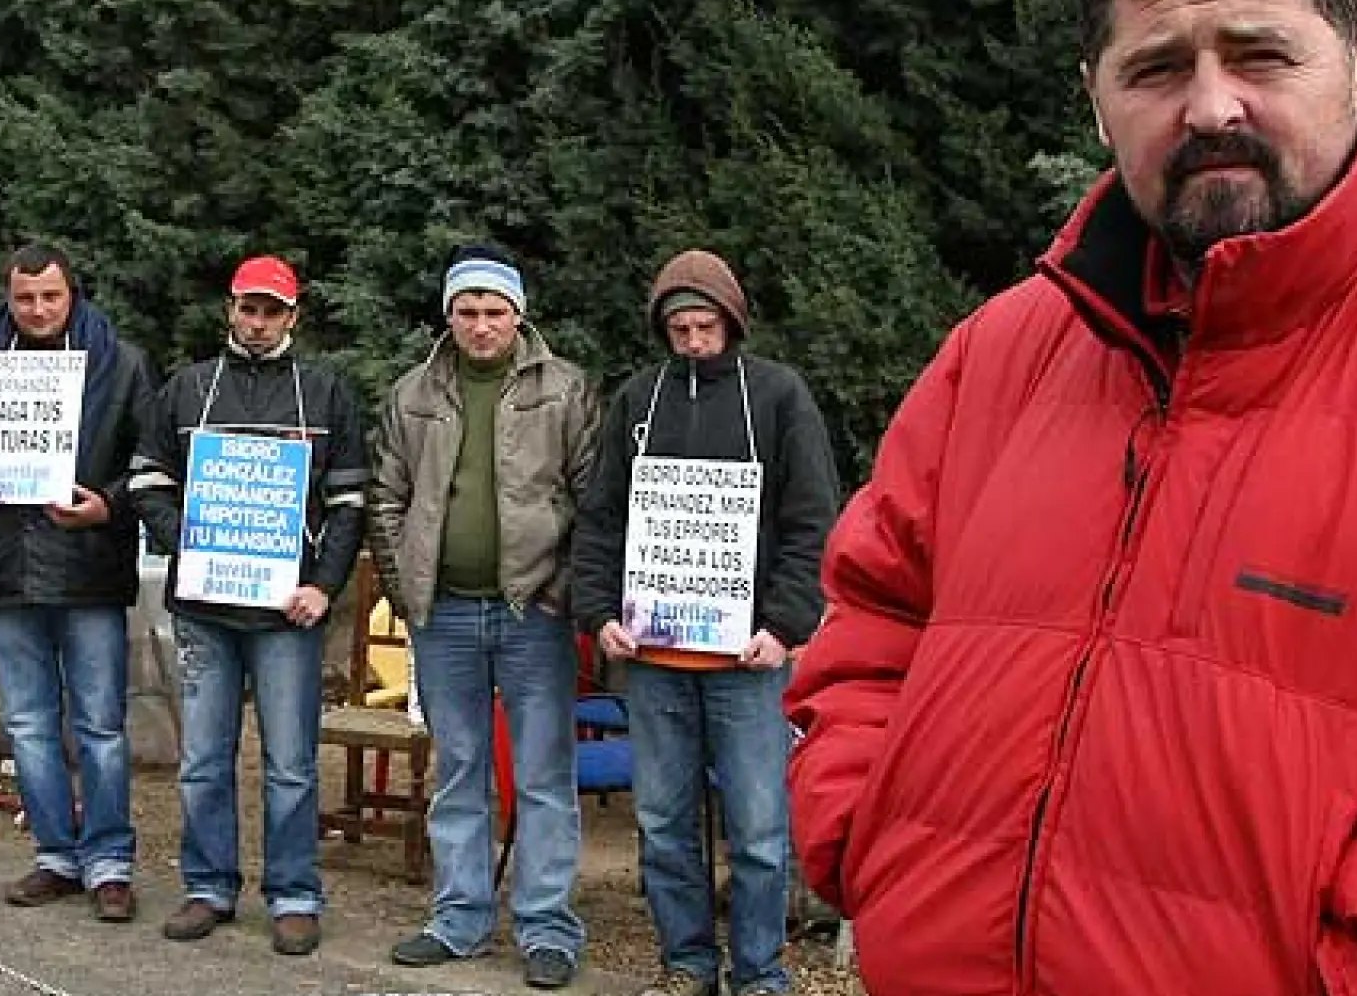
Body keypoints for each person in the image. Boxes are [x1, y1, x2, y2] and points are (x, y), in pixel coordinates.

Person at [784, 0, 1357, 993]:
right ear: (1098, 100)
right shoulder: (1002, 352)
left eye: (1261, 54)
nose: (1210, 107)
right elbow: (874, 614)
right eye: (1156, 68)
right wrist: (865, 829)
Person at [572, 250, 839, 996]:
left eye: (705, 325)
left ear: (732, 320)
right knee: (662, 826)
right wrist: (598, 614)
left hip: (749, 663)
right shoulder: (637, 400)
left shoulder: (780, 397)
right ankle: (687, 963)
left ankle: (760, 971)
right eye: (680, 327)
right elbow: (601, 520)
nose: (693, 340)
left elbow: (812, 521)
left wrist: (784, 625)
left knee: (758, 830)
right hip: (653, 661)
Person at [369, 245, 602, 990]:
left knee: (542, 775)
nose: (480, 325)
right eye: (466, 312)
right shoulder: (411, 394)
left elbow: (593, 501)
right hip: (444, 616)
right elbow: (385, 498)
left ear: (518, 315)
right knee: (458, 769)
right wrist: (409, 593)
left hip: (534, 611)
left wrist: (562, 591)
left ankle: (546, 926)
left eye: (494, 312)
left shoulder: (565, 391)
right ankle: (460, 915)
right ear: (448, 317)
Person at [132, 255, 368, 957]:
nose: (258, 322)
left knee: (292, 762)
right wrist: (192, 549)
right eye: (247, 308)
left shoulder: (326, 395)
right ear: (229, 311)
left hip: (287, 613)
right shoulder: (187, 389)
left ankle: (295, 894)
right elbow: (147, 482)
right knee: (203, 757)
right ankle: (208, 886)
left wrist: (324, 585)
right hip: (205, 608)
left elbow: (351, 504)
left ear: (293, 318)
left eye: (272, 311)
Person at [0, 243, 153, 922]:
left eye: (51, 296)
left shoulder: (122, 362)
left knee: (101, 725)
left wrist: (109, 504)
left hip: (90, 568)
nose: (39, 309)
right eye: (25, 298)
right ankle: (55, 854)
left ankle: (109, 862)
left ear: (72, 293)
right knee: (27, 724)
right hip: (4, 566)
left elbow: (154, 460)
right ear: (8, 297)